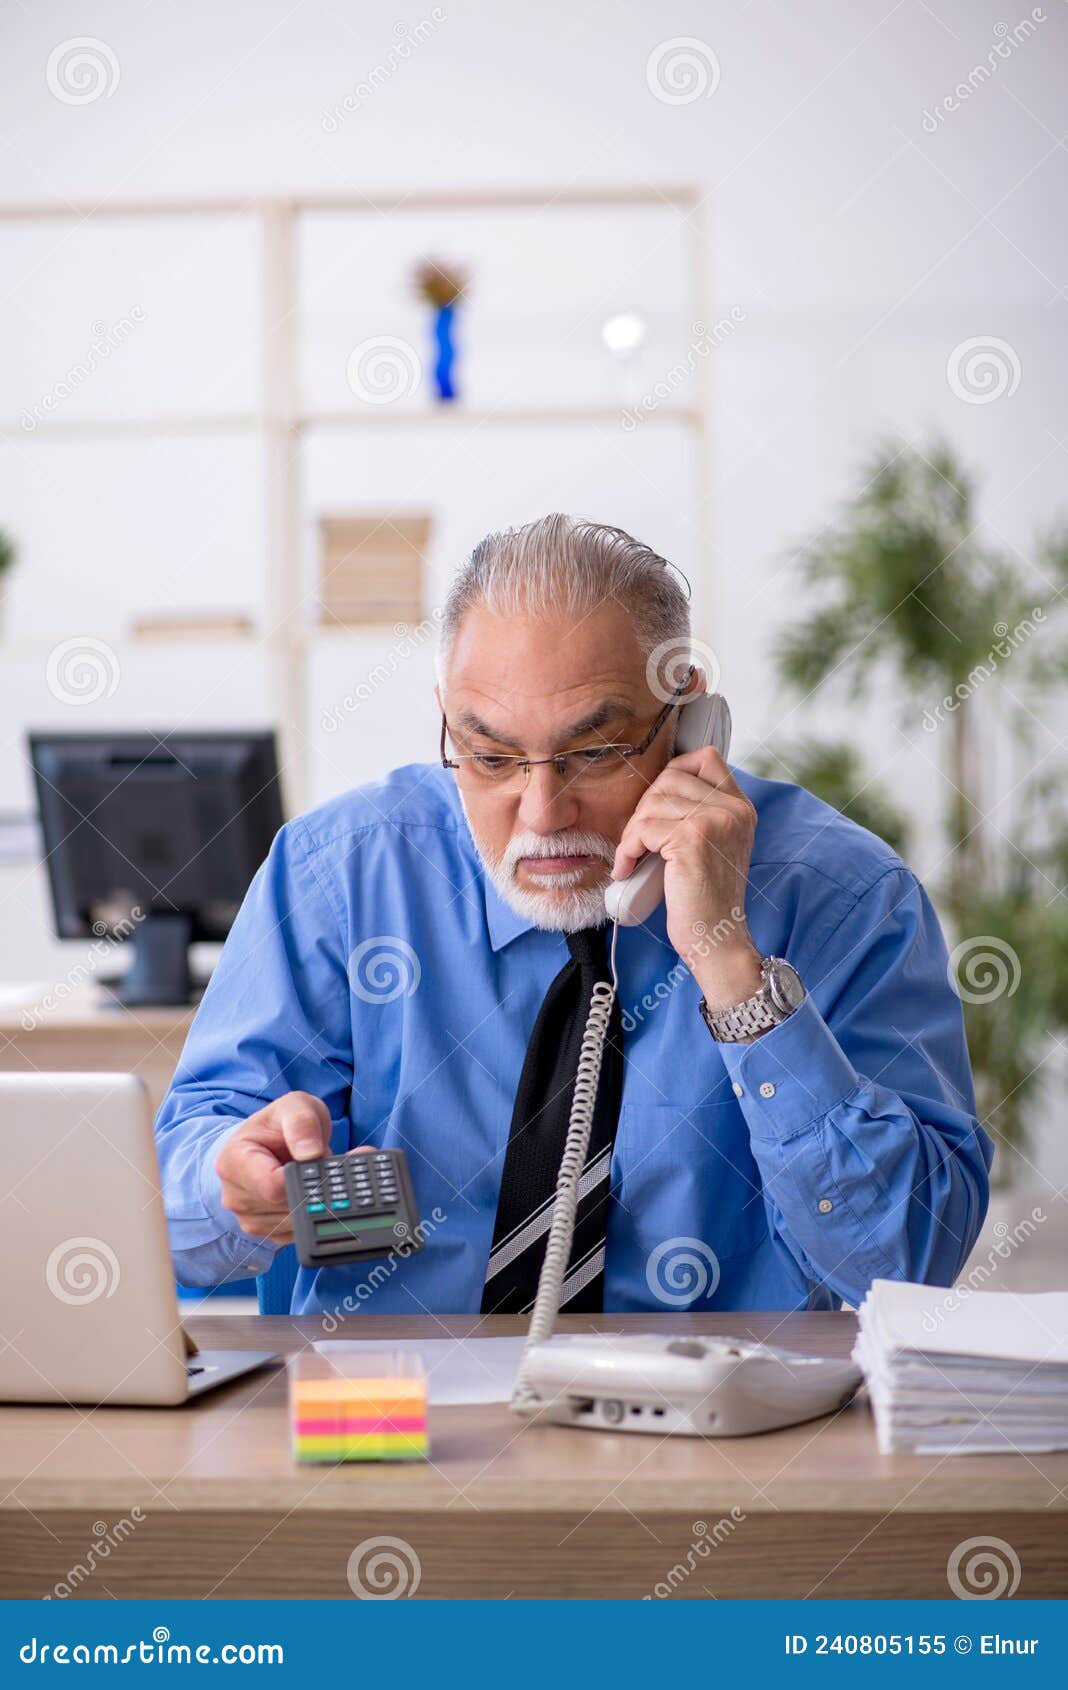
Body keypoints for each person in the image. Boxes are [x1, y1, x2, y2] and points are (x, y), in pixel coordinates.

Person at [155, 513, 991, 1316]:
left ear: (692, 714)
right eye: (491, 757)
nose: (543, 813)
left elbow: (906, 1263)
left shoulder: (843, 896)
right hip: (392, 1423)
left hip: (717, 1433)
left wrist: (732, 969)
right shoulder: (340, 875)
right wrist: (234, 1182)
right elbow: (173, 1208)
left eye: (593, 752)